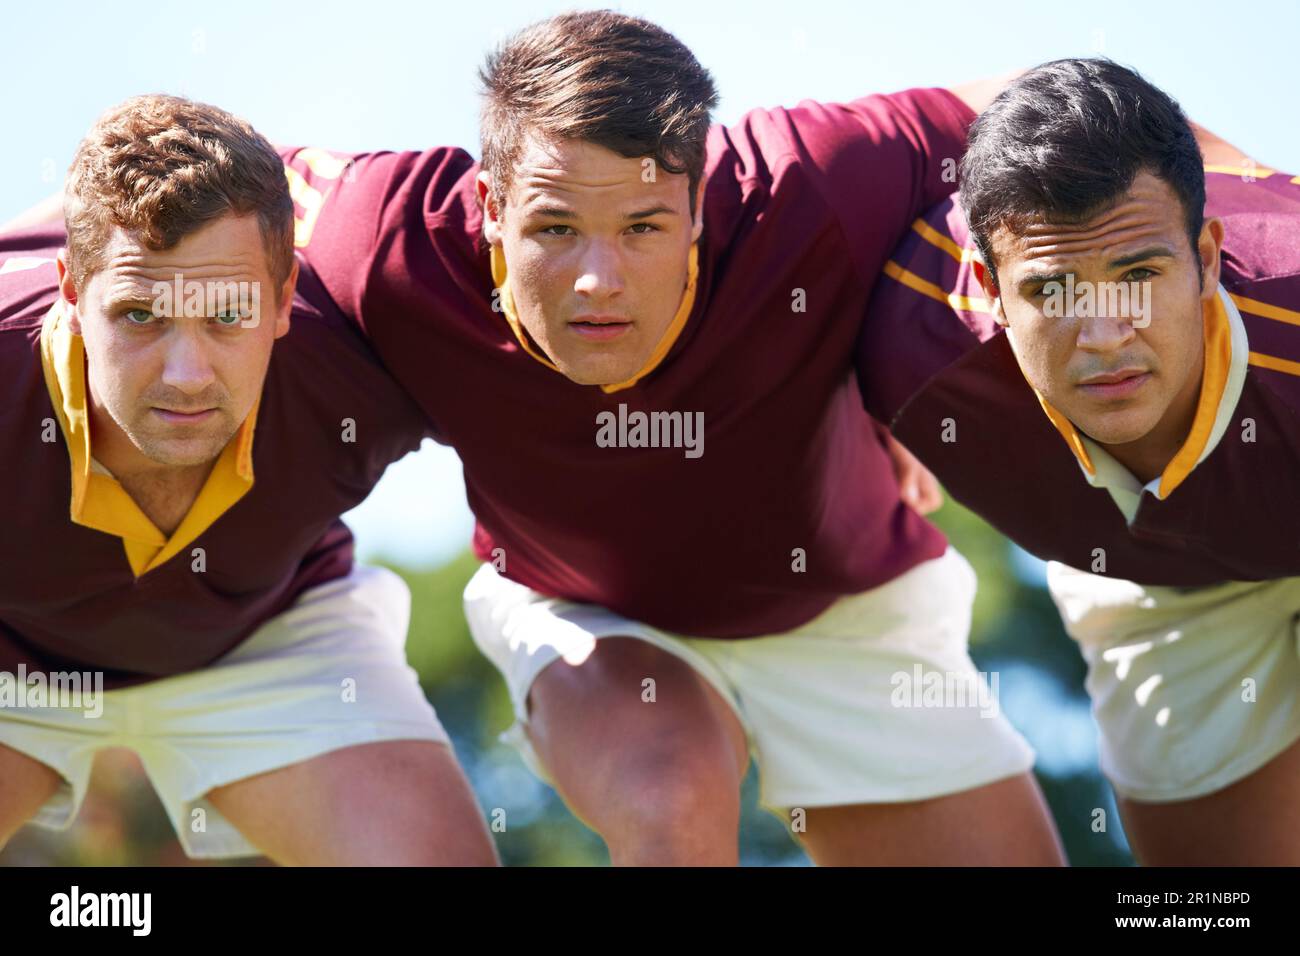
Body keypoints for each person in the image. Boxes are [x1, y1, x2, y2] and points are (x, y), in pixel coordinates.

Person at [280, 9, 1063, 865]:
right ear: (491, 206)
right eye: (555, 228)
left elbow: (1072, 111)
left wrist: (900, 362)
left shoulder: (814, 178)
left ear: (700, 202)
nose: (596, 281)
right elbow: (203, 180)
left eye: (643, 227)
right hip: (585, 609)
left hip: (844, 607)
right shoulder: (386, 236)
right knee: (666, 792)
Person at [0, 95, 497, 865]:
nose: (187, 374)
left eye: (228, 314)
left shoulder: (369, 339)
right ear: (72, 288)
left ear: (282, 295)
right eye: (139, 315)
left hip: (270, 637)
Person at [861, 57, 1300, 864]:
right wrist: (843, 421)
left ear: (1207, 256)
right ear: (991, 291)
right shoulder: (905, 340)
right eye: (1055, 290)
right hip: (1160, 574)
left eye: (1139, 274)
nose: (1104, 337)